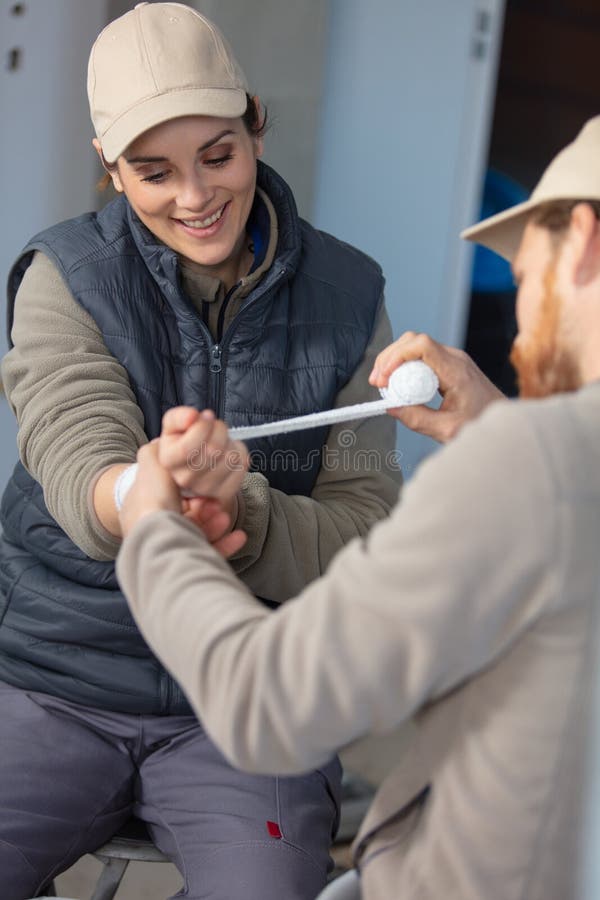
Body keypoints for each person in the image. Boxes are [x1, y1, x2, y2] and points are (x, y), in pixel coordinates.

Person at [116, 116, 600, 900]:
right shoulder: (539, 460)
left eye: (525, 281)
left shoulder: (532, 464)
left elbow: (266, 704)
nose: (518, 335)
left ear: (579, 240)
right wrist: (494, 429)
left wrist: (156, 532)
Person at [0, 4, 401, 898]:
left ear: (256, 121)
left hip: (248, 699)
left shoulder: (349, 296)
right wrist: (140, 494)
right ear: (110, 168)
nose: (194, 196)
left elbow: (365, 533)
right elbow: (74, 442)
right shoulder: (64, 275)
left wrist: (243, 518)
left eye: (218, 155)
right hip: (53, 676)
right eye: (153, 172)